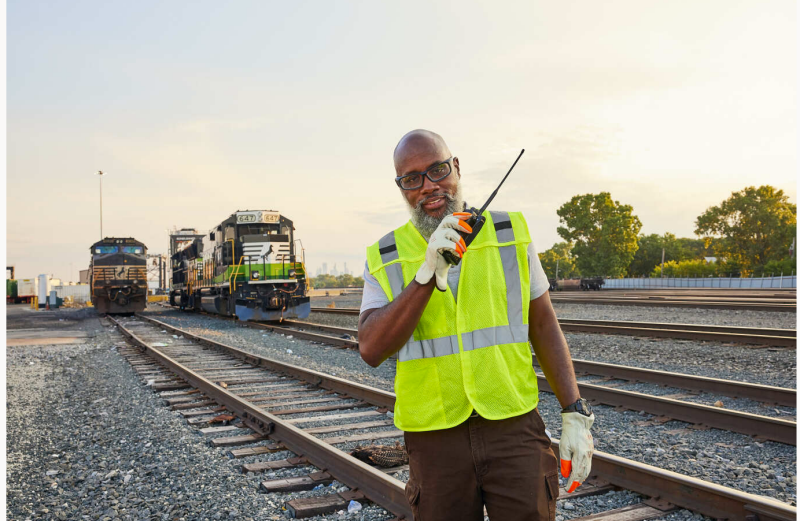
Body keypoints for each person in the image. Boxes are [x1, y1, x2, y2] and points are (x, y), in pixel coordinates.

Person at [358, 129, 596, 520]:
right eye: (412, 179)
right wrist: (425, 276)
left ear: (455, 167)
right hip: (435, 438)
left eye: (436, 170)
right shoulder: (385, 254)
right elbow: (370, 349)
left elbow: (543, 323)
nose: (429, 187)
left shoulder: (509, 233)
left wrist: (574, 411)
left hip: (512, 424)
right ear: (401, 187)